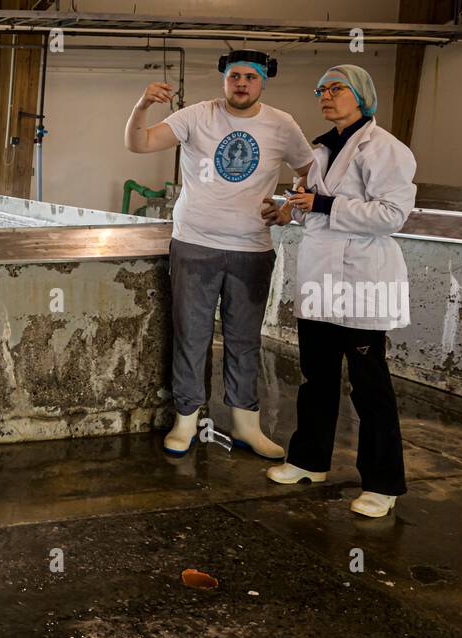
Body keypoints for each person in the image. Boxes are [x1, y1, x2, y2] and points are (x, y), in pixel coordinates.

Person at [126, 50, 315, 458]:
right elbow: (139, 143)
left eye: (250, 76)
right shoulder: (197, 116)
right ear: (224, 81)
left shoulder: (282, 125)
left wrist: (287, 209)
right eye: (234, 76)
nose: (242, 83)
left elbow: (308, 173)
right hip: (195, 243)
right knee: (190, 336)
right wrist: (141, 105)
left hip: (251, 248)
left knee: (244, 339)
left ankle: (245, 423)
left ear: (263, 82)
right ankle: (187, 419)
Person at [262, 64, 416, 518]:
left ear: (362, 97)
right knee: (316, 378)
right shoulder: (322, 149)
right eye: (321, 90)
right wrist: (289, 211)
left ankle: (383, 483)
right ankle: (309, 461)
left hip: (363, 281)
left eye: (336, 89)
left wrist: (324, 204)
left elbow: (392, 214)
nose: (326, 96)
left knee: (370, 388)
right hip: (320, 276)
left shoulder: (386, 149)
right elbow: (317, 207)